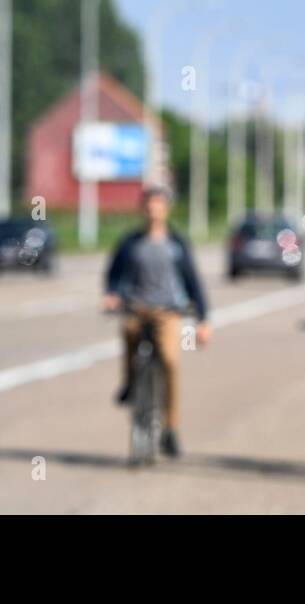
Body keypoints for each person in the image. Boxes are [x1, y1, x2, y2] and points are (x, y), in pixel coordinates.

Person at [102, 186, 211, 457]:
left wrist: (203, 320)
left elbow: (192, 281)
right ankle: (129, 385)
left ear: (166, 209)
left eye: (158, 204)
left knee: (170, 362)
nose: (153, 209)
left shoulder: (176, 243)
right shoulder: (131, 242)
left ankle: (170, 428)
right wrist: (112, 294)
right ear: (143, 208)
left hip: (168, 311)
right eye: (149, 204)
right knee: (128, 331)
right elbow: (113, 273)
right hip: (137, 307)